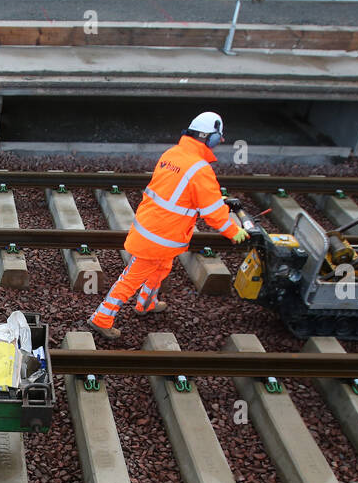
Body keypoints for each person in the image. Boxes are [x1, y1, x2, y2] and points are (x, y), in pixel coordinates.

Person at [88, 111, 249, 340]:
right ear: (209, 138)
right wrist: (234, 231)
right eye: (218, 138)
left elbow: (179, 193)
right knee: (131, 278)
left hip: (156, 231)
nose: (220, 142)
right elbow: (214, 214)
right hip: (160, 236)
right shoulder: (200, 170)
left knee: (162, 269)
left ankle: (146, 303)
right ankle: (101, 318)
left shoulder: (173, 154)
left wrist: (213, 200)